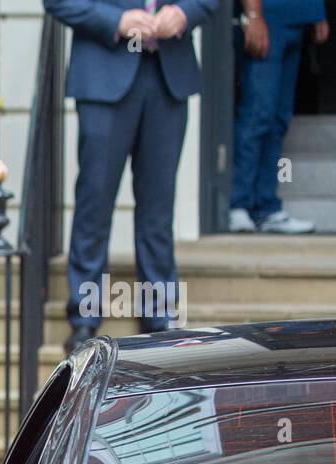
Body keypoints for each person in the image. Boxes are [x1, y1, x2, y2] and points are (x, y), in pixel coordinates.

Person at [46, 0, 219, 354]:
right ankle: (85, 315)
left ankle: (157, 314)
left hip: (167, 78)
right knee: (95, 200)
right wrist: (118, 19)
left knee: (159, 207)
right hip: (103, 76)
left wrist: (185, 13)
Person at [230, 0, 329, 233]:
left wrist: (317, 12)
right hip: (267, 18)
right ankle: (238, 203)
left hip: (296, 19)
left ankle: (267, 208)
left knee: (278, 120)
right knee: (257, 114)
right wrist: (253, 15)